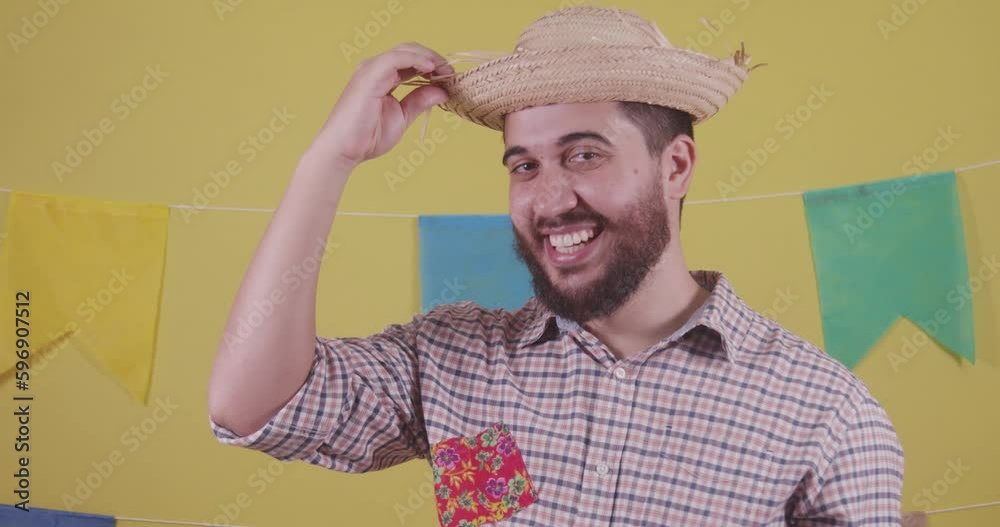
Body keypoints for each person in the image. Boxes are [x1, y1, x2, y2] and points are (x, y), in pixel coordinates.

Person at [207, 6, 904, 526]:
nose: (547, 199)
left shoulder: (828, 420)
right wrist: (328, 160)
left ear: (676, 166)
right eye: (524, 165)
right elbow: (253, 404)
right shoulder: (457, 362)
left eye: (584, 155)